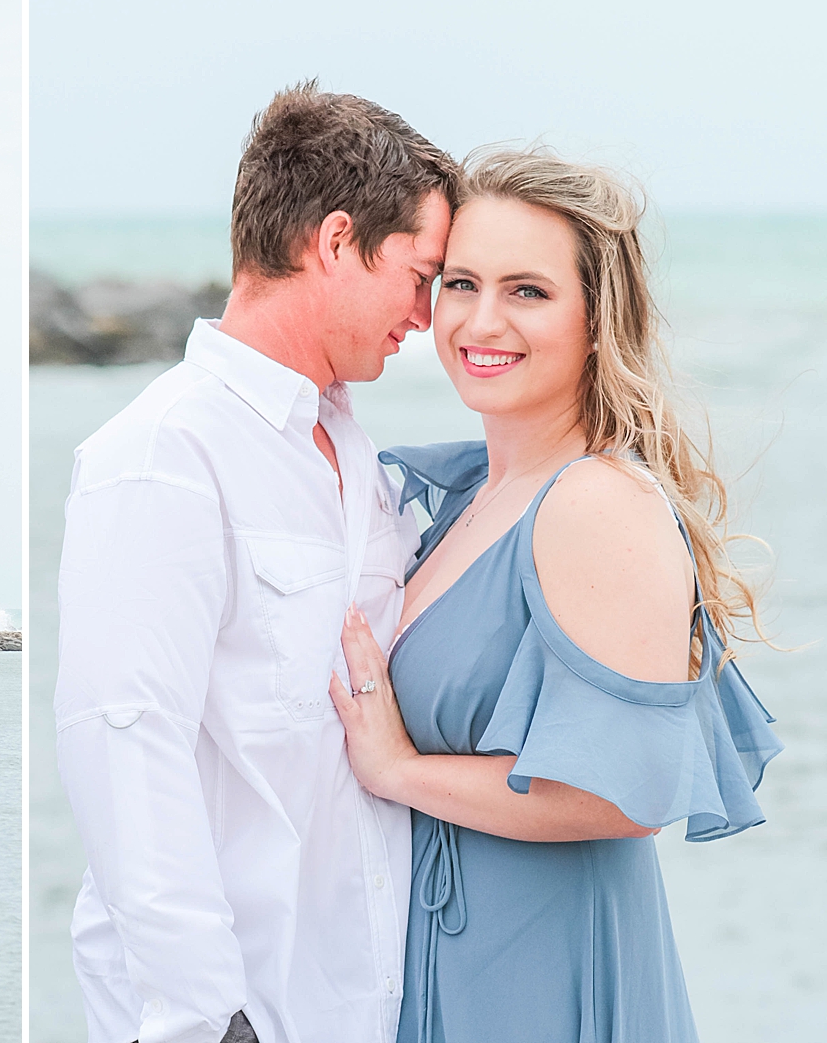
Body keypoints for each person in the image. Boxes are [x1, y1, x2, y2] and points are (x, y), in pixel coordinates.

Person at [330, 149, 782, 1043]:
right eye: (460, 282)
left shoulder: (592, 501)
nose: (481, 319)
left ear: (597, 318)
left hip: (544, 971)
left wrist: (397, 771)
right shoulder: (469, 496)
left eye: (528, 291)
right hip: (454, 962)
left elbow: (625, 796)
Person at [54, 81, 459, 1043]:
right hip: (243, 1019)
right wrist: (210, 1019)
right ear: (333, 242)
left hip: (363, 1004)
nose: (428, 313)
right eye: (420, 274)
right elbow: (124, 747)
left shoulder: (357, 459)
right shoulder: (162, 456)